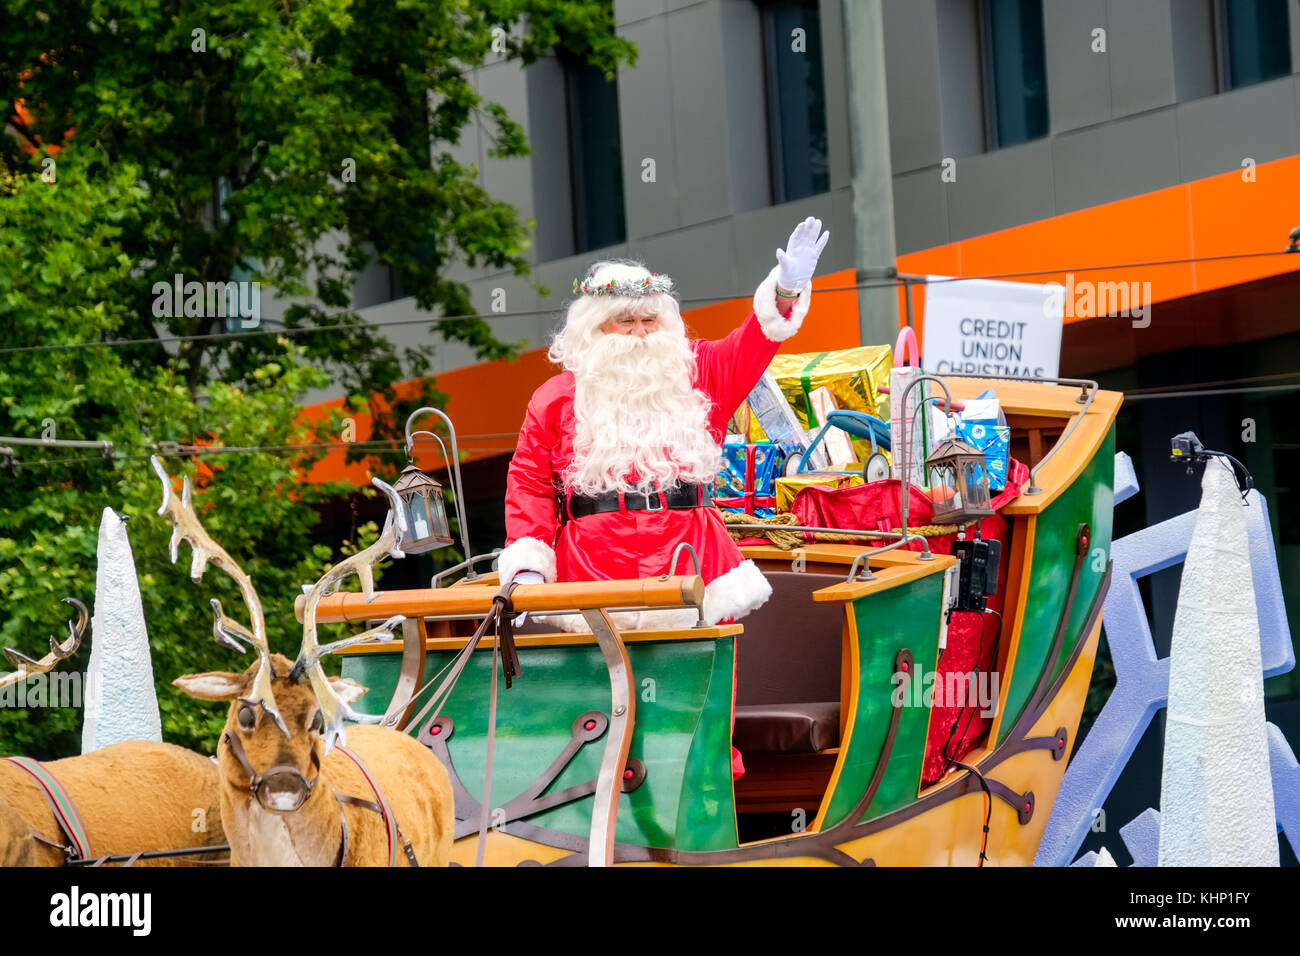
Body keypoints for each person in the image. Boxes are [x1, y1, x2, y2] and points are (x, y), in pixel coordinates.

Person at [496, 217, 829, 776]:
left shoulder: (700, 375)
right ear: (594, 331)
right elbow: (528, 483)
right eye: (624, 321)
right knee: (601, 722)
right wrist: (529, 566)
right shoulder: (554, 400)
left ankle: (707, 821)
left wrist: (787, 289)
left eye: (650, 320)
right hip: (593, 576)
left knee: (699, 712)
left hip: (694, 565)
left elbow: (756, 339)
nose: (640, 332)